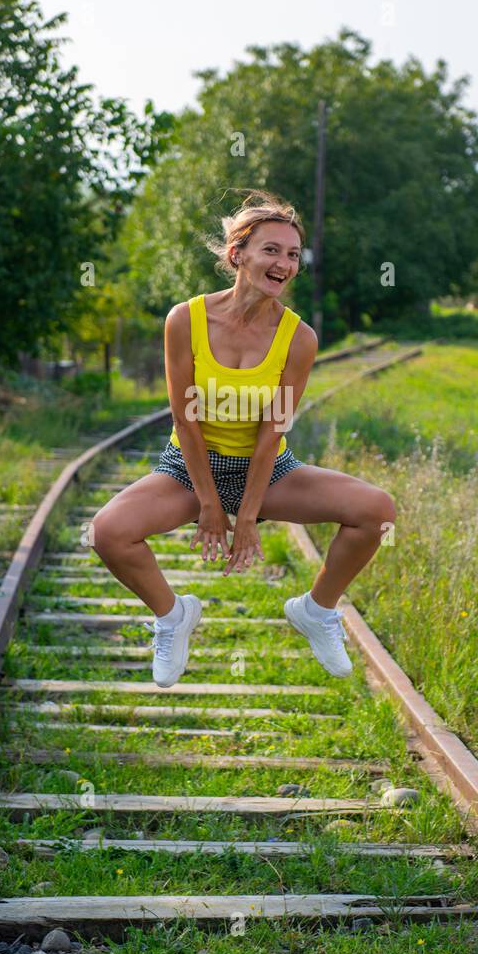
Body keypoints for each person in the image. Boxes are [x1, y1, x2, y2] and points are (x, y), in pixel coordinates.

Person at [91, 191, 396, 687]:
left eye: (293, 254)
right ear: (238, 255)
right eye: (271, 250)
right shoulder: (184, 319)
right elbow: (185, 420)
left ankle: (316, 610)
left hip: (267, 468)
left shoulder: (299, 338)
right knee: (108, 532)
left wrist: (248, 514)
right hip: (188, 468)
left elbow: (271, 431)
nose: (284, 263)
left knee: (376, 511)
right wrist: (211, 505)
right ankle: (173, 617)